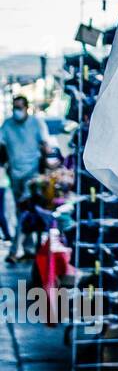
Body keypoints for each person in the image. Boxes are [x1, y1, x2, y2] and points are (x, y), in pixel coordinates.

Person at [0, 96, 49, 263]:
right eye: (15, 107)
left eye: (19, 107)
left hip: (32, 175)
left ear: (27, 108)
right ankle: (29, 248)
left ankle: (14, 250)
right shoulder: (7, 125)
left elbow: (45, 146)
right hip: (15, 173)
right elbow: (2, 145)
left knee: (26, 209)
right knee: (21, 211)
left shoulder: (37, 123)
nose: (17, 111)